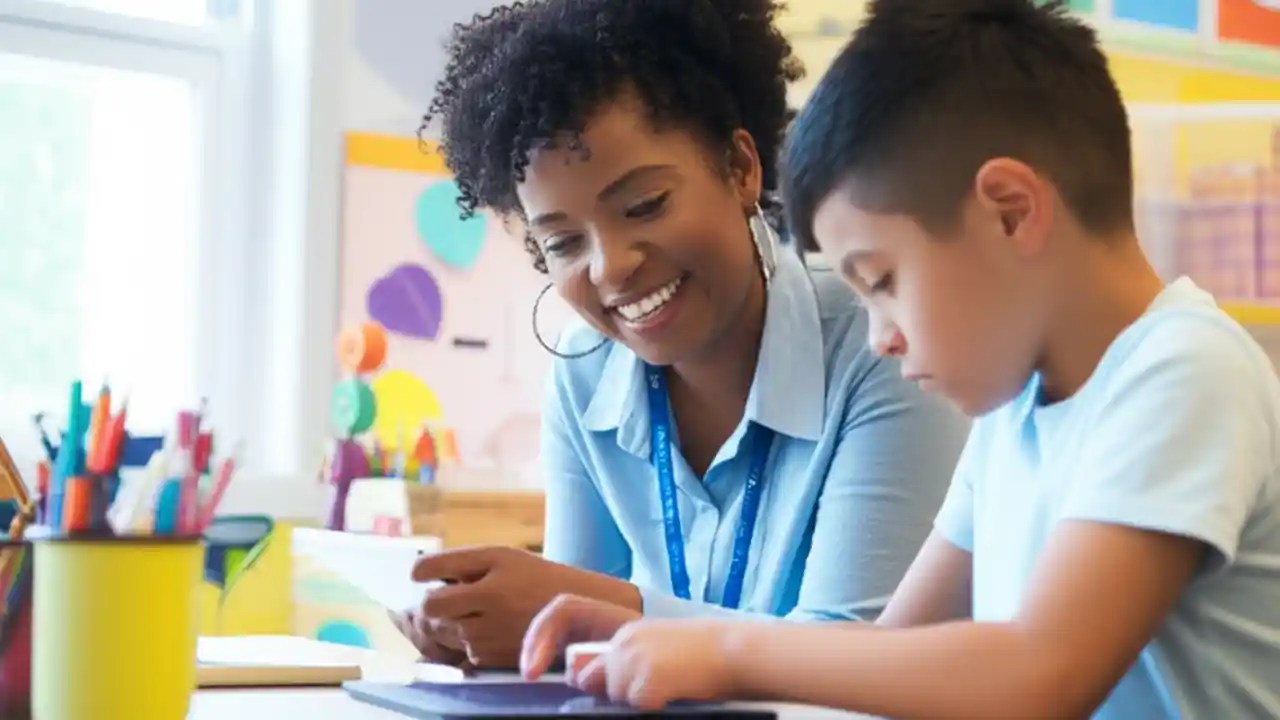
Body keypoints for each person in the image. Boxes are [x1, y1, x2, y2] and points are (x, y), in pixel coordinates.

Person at [519, 1, 1280, 717]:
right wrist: (639, 628)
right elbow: (887, 653)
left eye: (881, 281)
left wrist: (723, 652)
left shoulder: (1183, 371)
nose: (879, 335)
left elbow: (1042, 676)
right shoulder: (1015, 410)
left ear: (1010, 212)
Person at [392, 0, 969, 670]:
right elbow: (570, 657)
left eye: (645, 206)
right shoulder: (584, 373)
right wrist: (495, 638)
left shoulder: (883, 341)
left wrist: (593, 616)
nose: (611, 267)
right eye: (564, 243)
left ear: (741, 168)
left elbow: (863, 660)